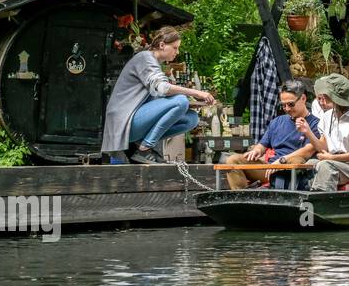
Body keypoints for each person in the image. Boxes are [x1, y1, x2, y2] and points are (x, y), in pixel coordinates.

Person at [103, 26, 216, 165]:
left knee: (191, 119)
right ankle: (145, 149)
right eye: (175, 47)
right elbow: (163, 89)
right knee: (180, 101)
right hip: (124, 124)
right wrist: (197, 92)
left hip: (135, 122)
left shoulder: (154, 62)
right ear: (162, 45)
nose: (177, 52)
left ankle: (142, 145)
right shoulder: (145, 58)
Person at [223, 79, 319, 189]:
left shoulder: (315, 123)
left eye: (291, 104)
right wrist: (256, 151)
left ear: (303, 98)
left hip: (295, 168)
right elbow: (262, 145)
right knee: (232, 160)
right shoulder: (277, 121)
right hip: (271, 169)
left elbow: (307, 151)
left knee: (296, 160)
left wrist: (282, 160)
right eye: (283, 105)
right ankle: (241, 200)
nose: (287, 109)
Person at [299, 74, 349, 192]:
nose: (322, 99)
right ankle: (303, 201)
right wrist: (308, 132)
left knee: (325, 166)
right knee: (310, 164)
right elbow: (323, 147)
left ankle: (321, 202)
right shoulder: (327, 116)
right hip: (335, 162)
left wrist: (332, 157)